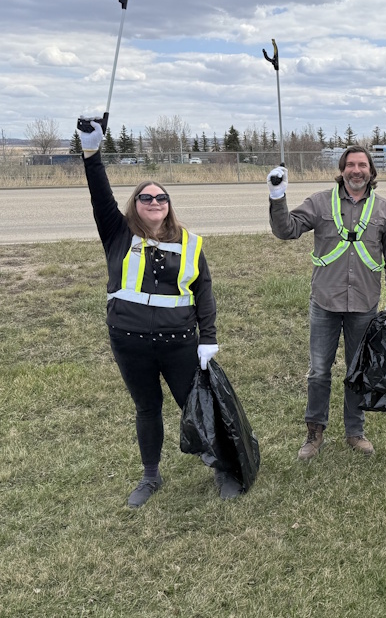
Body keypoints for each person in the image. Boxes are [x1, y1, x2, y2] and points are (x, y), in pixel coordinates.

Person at [78, 116, 238, 507]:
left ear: (169, 205)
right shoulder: (117, 233)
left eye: (161, 198)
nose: (154, 202)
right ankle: (151, 477)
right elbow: (100, 193)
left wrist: (209, 338)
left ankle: (221, 468)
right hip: (128, 341)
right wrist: (91, 152)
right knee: (147, 408)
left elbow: (204, 290)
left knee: (195, 406)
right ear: (136, 204)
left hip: (179, 342)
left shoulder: (191, 243)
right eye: (146, 198)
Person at [268, 145, 386, 459]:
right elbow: (286, 230)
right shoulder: (319, 202)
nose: (357, 170)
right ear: (341, 170)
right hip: (325, 304)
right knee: (318, 372)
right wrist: (277, 196)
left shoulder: (384, 210)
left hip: (364, 305)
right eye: (350, 165)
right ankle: (314, 434)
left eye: (363, 165)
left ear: (371, 172)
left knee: (356, 372)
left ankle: (355, 432)